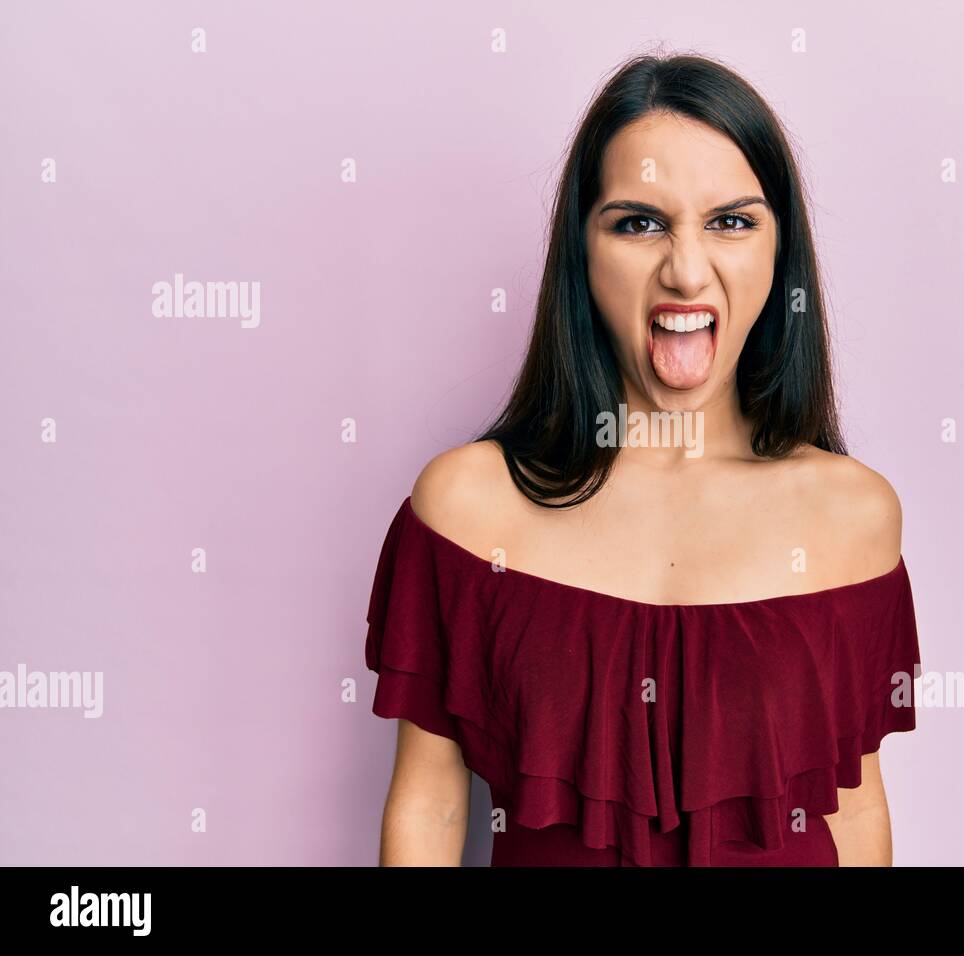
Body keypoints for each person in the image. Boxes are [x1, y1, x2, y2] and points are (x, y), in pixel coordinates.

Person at [365, 51, 922, 867]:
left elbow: (856, 805)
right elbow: (431, 804)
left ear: (780, 251)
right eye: (639, 222)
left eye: (732, 221)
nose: (686, 270)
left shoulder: (853, 515)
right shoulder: (464, 507)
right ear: (582, 253)